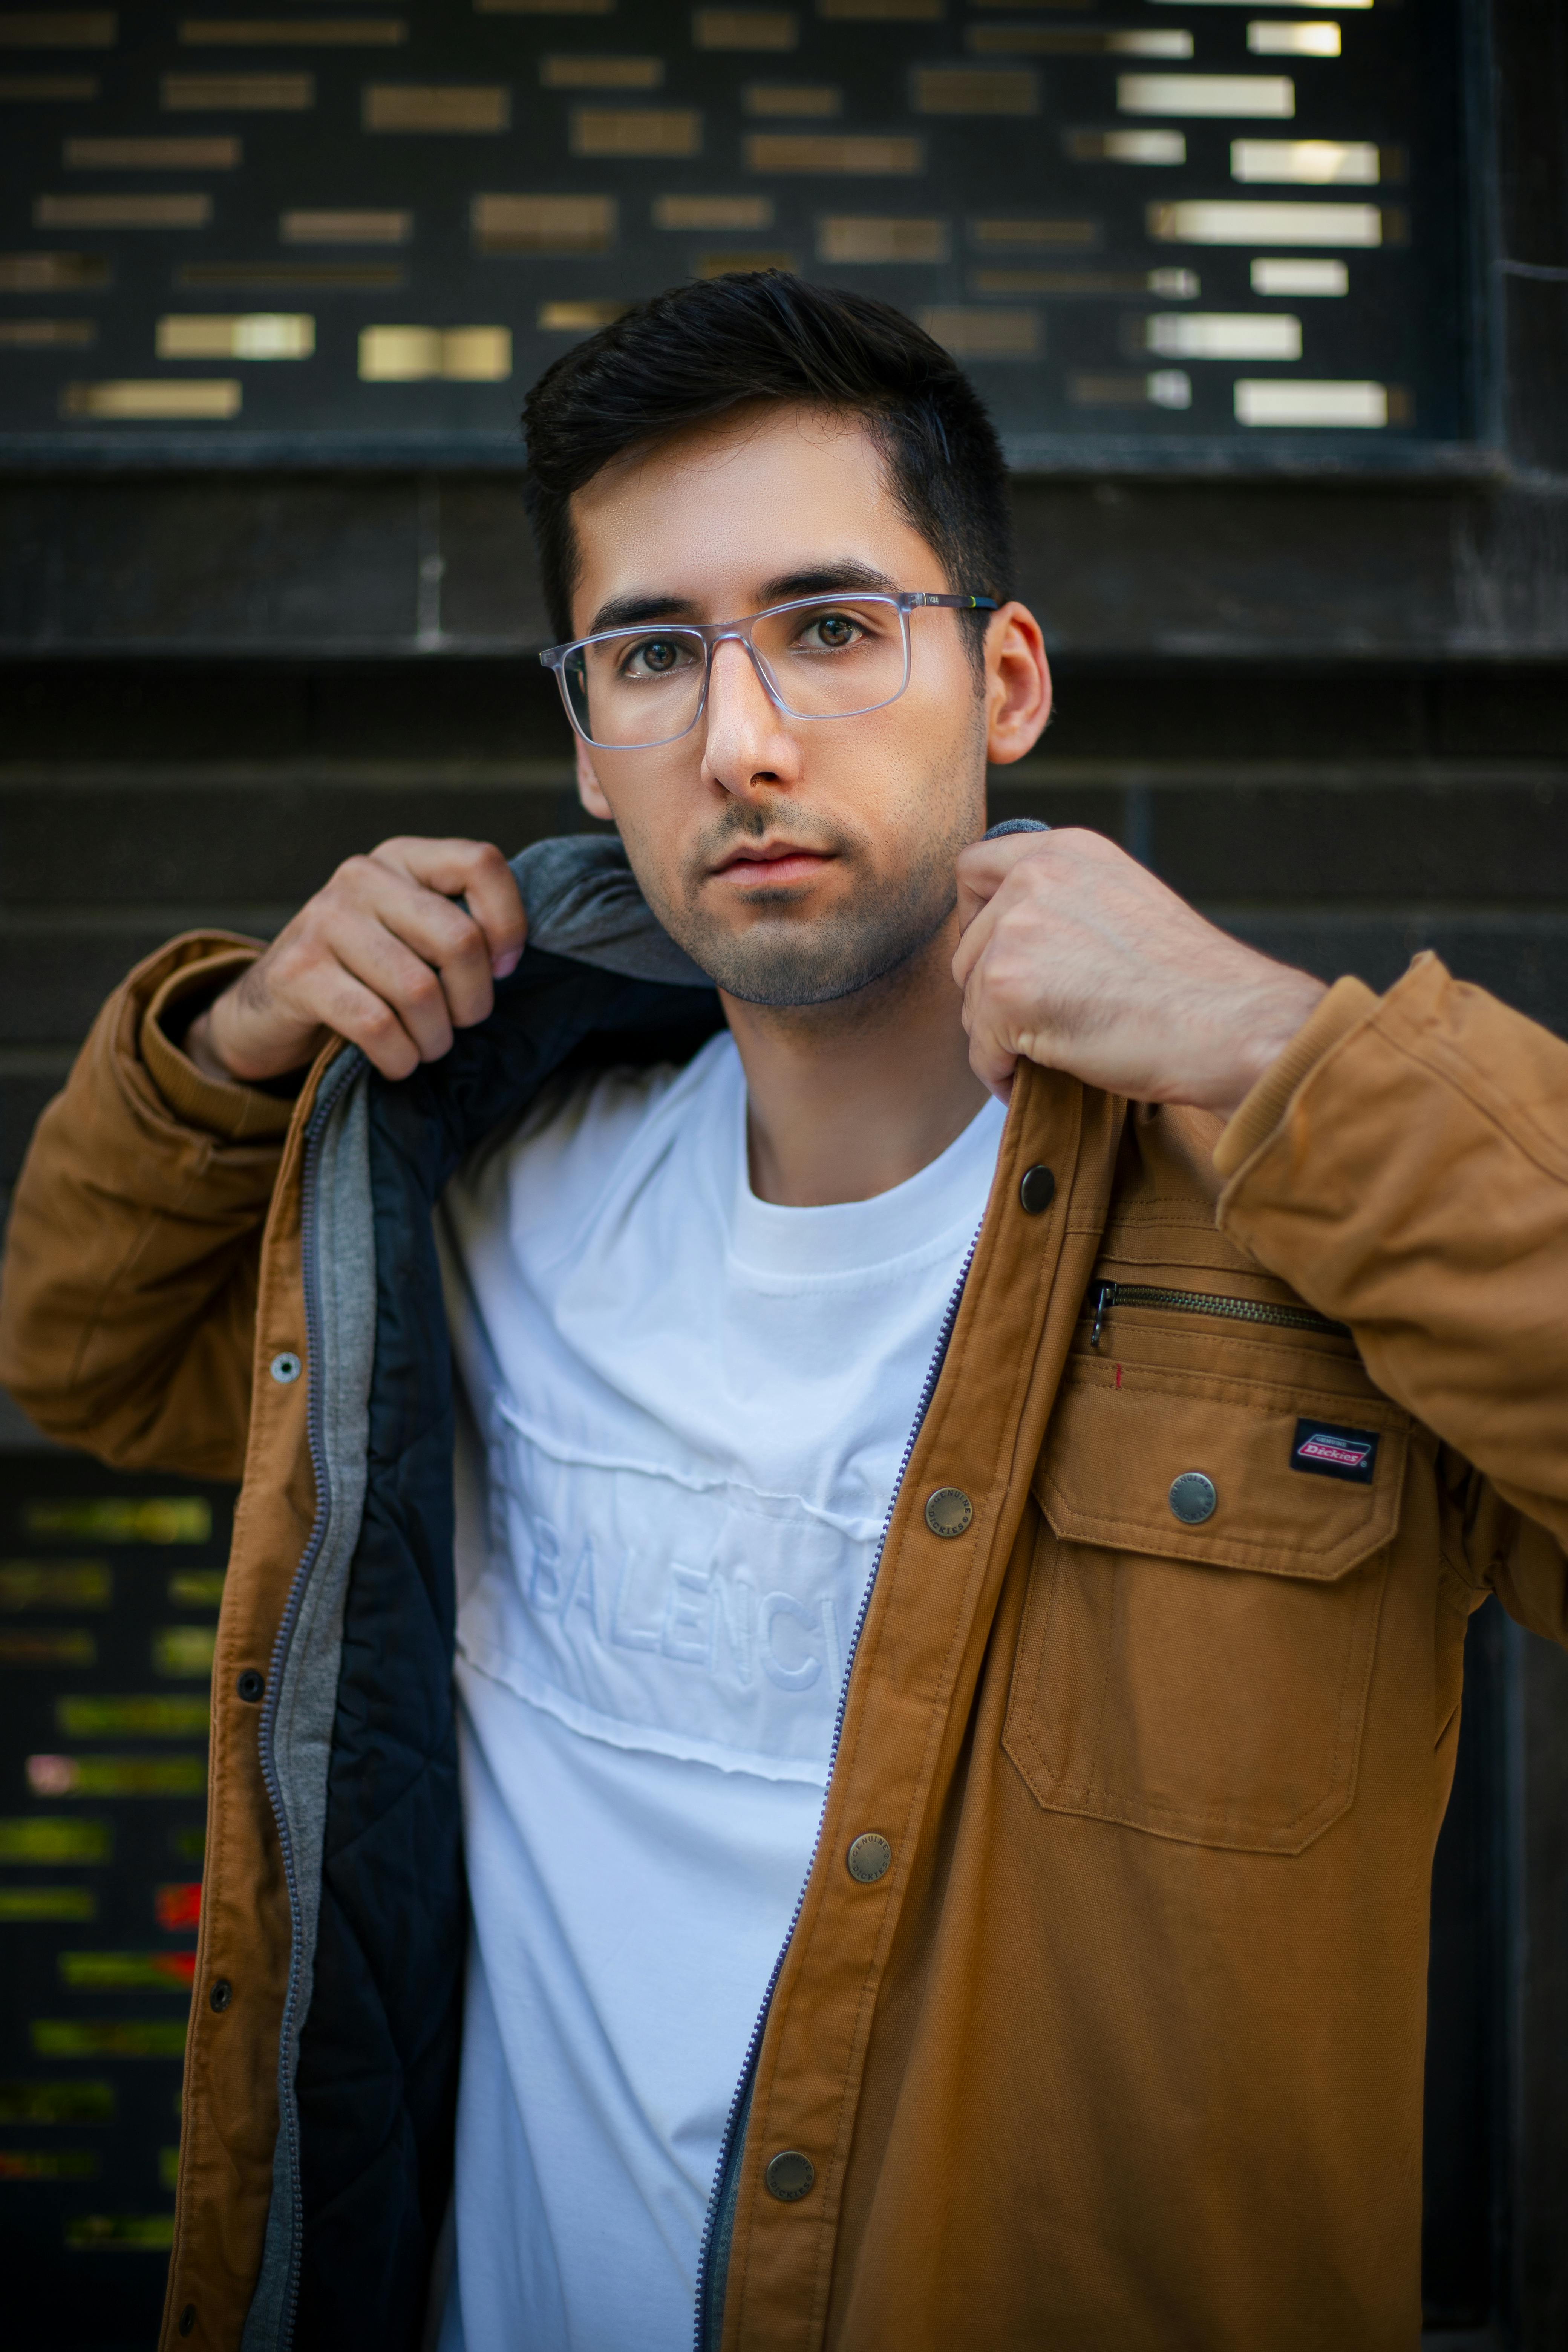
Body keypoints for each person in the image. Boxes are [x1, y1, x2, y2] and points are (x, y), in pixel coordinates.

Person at [2, 273, 1565, 2352]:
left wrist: (1287, 1048)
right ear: (585, 736)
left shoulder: (1293, 1240)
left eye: (832, 629)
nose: (739, 742)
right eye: (655, 654)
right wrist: (243, 1050)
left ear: (1004, 681)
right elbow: (84, 1358)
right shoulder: (460, 1186)